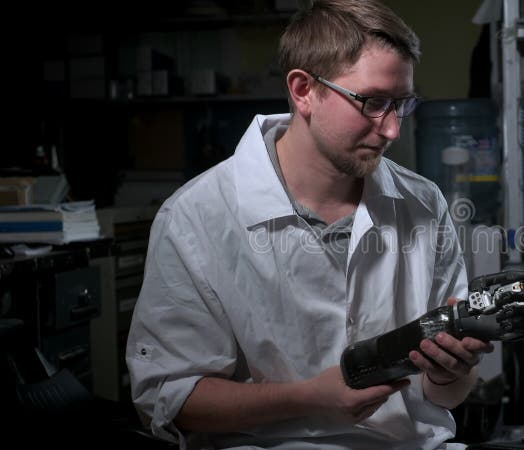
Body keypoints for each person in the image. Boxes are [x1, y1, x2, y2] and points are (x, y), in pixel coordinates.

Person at [126, 1, 495, 448]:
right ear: (304, 90)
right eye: (374, 102)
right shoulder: (196, 217)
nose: (393, 129)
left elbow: (445, 397)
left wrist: (449, 372)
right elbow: (169, 398)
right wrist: (308, 399)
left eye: (402, 104)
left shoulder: (424, 204)